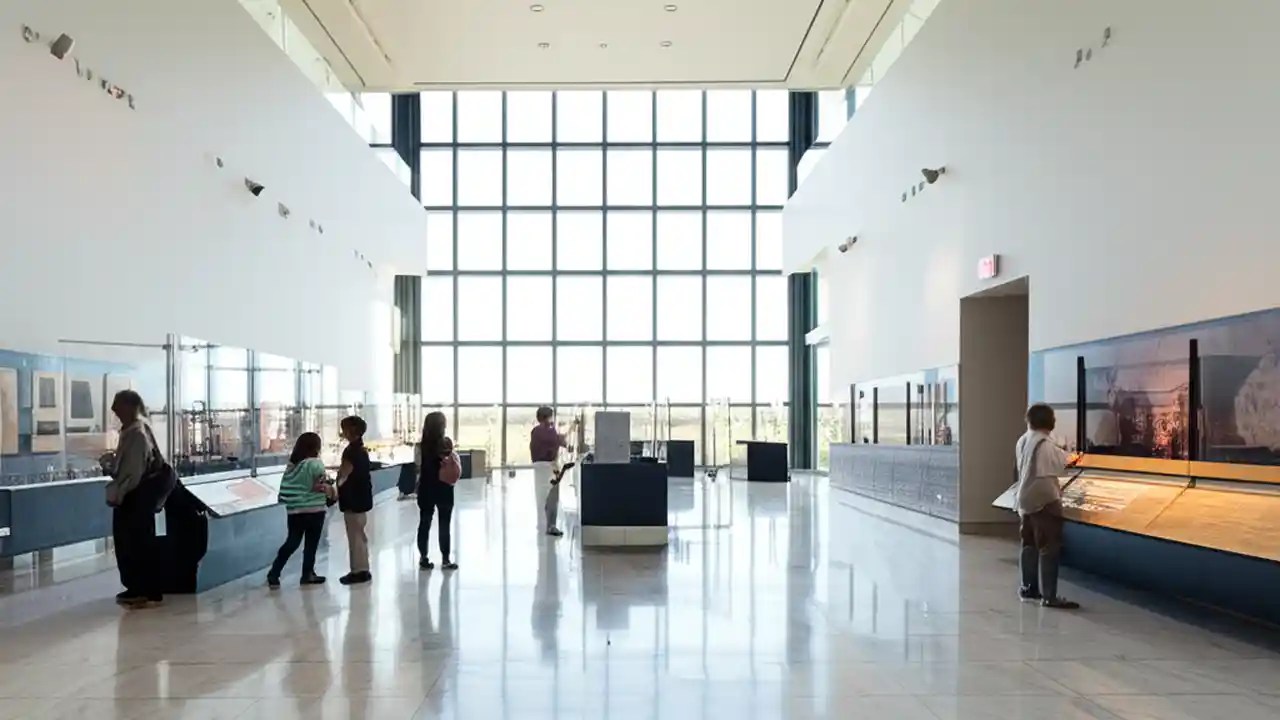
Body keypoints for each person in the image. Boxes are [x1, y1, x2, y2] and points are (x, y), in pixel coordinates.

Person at [1015, 403, 1080, 609]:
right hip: (1044, 502)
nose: (1055, 421)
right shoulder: (1044, 445)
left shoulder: (1023, 440)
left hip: (1024, 502)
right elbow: (1063, 463)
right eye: (1053, 417)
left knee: (1029, 545)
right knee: (1049, 548)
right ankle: (1049, 596)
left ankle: (1029, 588)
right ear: (1047, 420)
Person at [103, 390, 164, 608]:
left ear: (129, 407)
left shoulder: (136, 434)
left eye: (117, 404)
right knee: (140, 542)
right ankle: (146, 588)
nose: (113, 409)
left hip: (134, 498)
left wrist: (118, 493)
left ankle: (140, 589)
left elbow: (132, 473)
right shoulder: (137, 430)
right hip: (139, 497)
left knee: (133, 544)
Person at [266, 432, 333, 588]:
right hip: (314, 510)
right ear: (316, 447)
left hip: (295, 511)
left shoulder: (291, 466)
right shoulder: (315, 463)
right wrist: (330, 486)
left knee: (292, 542)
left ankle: (274, 572)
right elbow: (319, 486)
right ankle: (307, 574)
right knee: (311, 544)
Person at [416, 411, 458, 570]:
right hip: (444, 487)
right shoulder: (446, 443)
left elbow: (417, 466)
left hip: (426, 487)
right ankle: (446, 559)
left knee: (424, 522)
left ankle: (423, 557)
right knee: (444, 523)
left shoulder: (421, 446)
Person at [336, 415, 373, 585]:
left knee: (355, 536)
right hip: (362, 498)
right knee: (360, 535)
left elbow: (344, 475)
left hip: (353, 500)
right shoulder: (362, 450)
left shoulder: (351, 451)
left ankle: (357, 571)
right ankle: (363, 568)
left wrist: (336, 485)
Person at [529, 406, 571, 537]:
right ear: (548, 417)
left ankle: (543, 524)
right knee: (551, 496)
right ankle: (550, 526)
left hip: (539, 467)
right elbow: (558, 441)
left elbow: (556, 440)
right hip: (549, 467)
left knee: (541, 496)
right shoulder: (549, 431)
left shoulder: (535, 431)